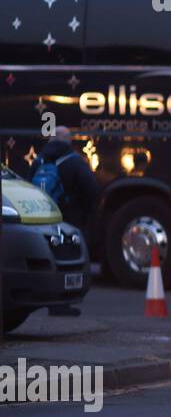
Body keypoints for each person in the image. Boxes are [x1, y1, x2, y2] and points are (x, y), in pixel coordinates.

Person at [33, 126, 100, 317]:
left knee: (48, 258)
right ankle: (61, 304)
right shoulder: (73, 162)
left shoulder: (38, 160)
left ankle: (45, 298)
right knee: (67, 262)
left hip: (42, 217)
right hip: (70, 219)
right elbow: (93, 190)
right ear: (68, 141)